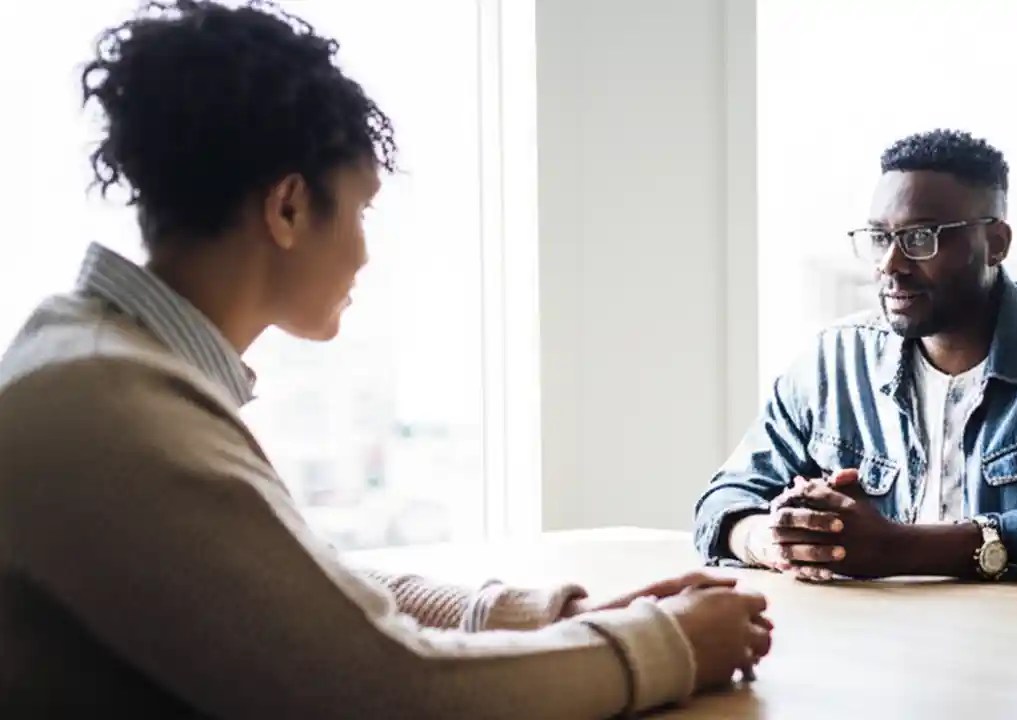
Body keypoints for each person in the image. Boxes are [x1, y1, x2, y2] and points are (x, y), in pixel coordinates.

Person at [0, 2, 770, 716]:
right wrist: (669, 647)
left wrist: (557, 617)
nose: (366, 254)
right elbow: (389, 691)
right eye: (362, 208)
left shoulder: (101, 365)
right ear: (289, 207)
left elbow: (296, 591)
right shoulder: (110, 404)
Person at [694, 129, 1017, 582]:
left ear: (996, 243)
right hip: (877, 651)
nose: (892, 264)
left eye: (921, 238)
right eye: (881, 238)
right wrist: (778, 539)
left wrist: (900, 549)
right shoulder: (834, 360)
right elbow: (723, 504)